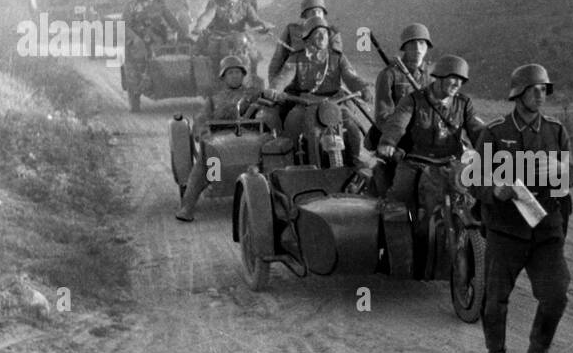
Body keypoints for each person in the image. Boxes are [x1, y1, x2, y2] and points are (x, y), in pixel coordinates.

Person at [471, 64, 573, 353]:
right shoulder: (495, 132)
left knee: (556, 292)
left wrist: (560, 172)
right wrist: (494, 190)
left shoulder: (555, 131)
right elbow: (472, 178)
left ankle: (538, 348)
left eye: (544, 89)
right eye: (534, 89)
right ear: (518, 94)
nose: (540, 95)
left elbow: (571, 176)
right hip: (506, 228)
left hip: (545, 226)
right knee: (496, 296)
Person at [376, 55, 484, 249]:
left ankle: (475, 248)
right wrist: (389, 142)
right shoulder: (414, 100)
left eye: (461, 80)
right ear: (440, 76)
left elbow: (476, 129)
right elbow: (398, 122)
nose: (457, 83)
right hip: (416, 161)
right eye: (453, 77)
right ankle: (391, 246)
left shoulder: (463, 103)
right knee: (400, 197)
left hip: (451, 164)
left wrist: (493, 148)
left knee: (473, 198)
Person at [266, 13, 371, 165]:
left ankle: (353, 160)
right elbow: (284, 76)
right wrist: (275, 89)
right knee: (292, 123)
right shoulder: (296, 57)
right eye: (317, 34)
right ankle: (295, 162)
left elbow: (351, 77)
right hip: (306, 103)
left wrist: (363, 88)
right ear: (308, 37)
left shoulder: (337, 57)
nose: (322, 37)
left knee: (352, 128)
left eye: (325, 34)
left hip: (334, 102)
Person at [174, 55, 264, 222]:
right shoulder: (214, 99)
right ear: (223, 77)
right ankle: (188, 207)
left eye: (238, 72)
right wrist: (203, 132)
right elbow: (201, 118)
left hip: (250, 136)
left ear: (243, 75)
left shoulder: (254, 95)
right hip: (218, 142)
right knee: (203, 167)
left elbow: (266, 113)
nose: (235, 76)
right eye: (230, 73)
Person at [123, 0, 183, 85]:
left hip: (157, 35)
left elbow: (171, 19)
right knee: (141, 52)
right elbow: (125, 26)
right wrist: (136, 38)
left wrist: (180, 31)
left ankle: (173, 74)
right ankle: (143, 75)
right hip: (139, 36)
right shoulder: (131, 6)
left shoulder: (159, 5)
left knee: (173, 47)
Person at [374, 23, 433, 127]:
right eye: (412, 43)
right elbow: (382, 116)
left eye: (422, 43)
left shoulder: (432, 75)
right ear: (404, 47)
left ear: (427, 46)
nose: (418, 48)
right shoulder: (389, 75)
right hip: (397, 133)